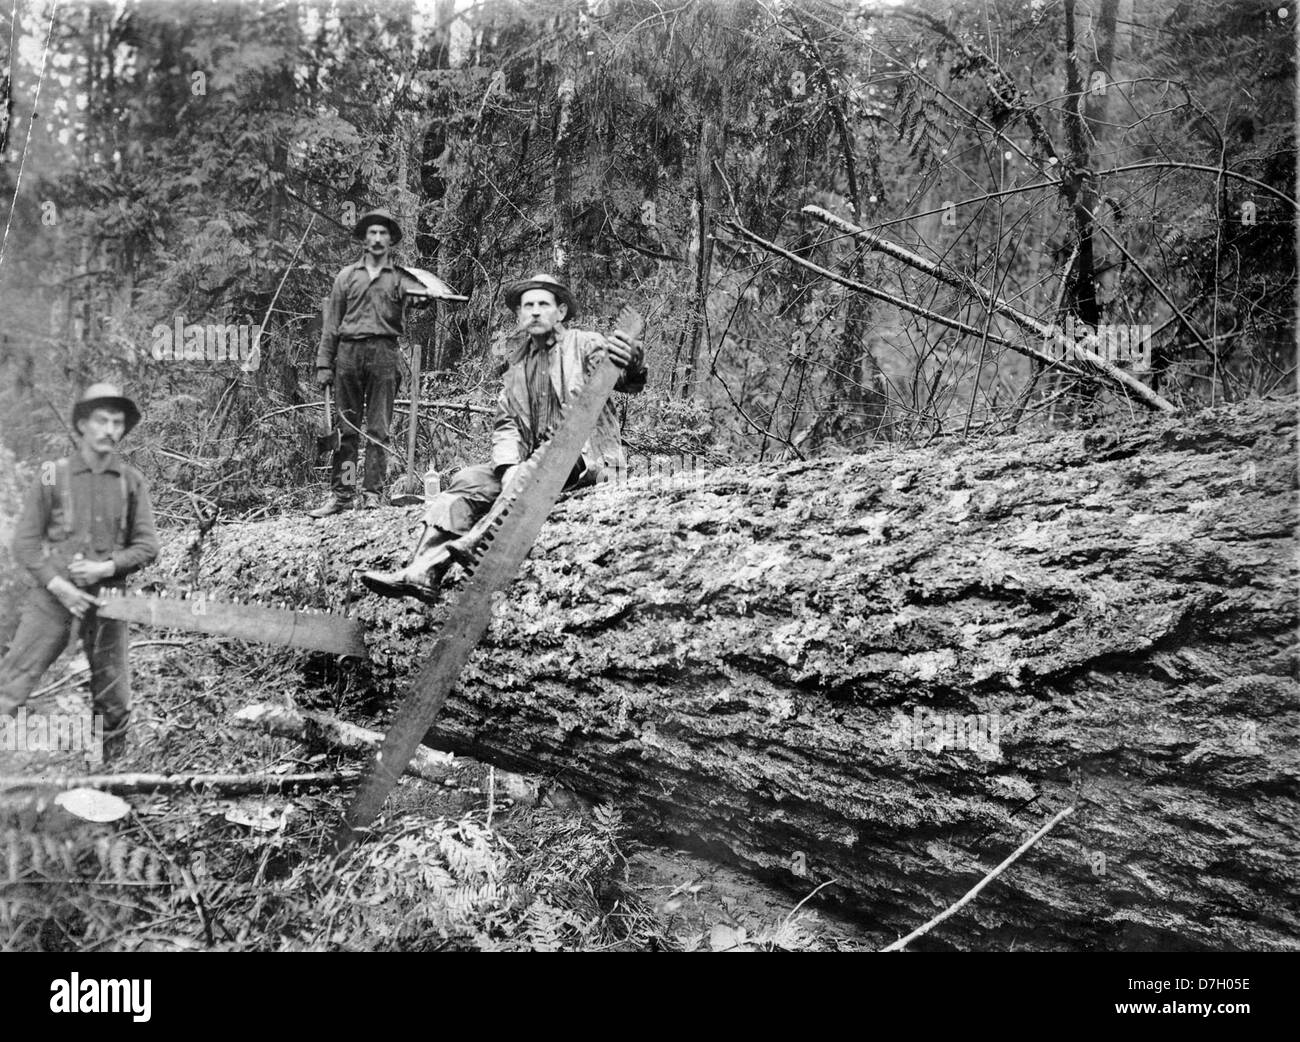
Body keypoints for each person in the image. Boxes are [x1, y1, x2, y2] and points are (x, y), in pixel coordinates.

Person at [360, 272, 646, 601]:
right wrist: (508, 467)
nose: (535, 312)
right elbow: (506, 426)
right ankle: (422, 569)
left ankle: (479, 544)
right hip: (530, 469)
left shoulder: (585, 344)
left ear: (561, 312)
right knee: (467, 480)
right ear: (520, 316)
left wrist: (633, 361)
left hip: (585, 460)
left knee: (540, 463)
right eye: (528, 306)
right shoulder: (518, 371)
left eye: (543, 304)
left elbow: (623, 376)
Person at [0, 383, 160, 761]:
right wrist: (59, 586)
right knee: (12, 683)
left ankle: (113, 783)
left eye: (117, 422)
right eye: (102, 420)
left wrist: (107, 566)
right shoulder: (53, 474)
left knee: (115, 698)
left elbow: (148, 546)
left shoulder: (131, 481)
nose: (110, 429)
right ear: (83, 425)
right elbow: (24, 543)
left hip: (109, 603)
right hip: (53, 600)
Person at [309, 207, 409, 517]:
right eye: (372, 233)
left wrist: (421, 297)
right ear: (363, 240)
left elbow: (421, 298)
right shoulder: (346, 277)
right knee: (347, 429)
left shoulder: (401, 279)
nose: (378, 239)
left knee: (378, 428)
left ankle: (372, 494)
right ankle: (343, 494)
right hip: (349, 356)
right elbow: (332, 323)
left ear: (390, 241)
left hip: (384, 355)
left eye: (383, 234)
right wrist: (325, 364)